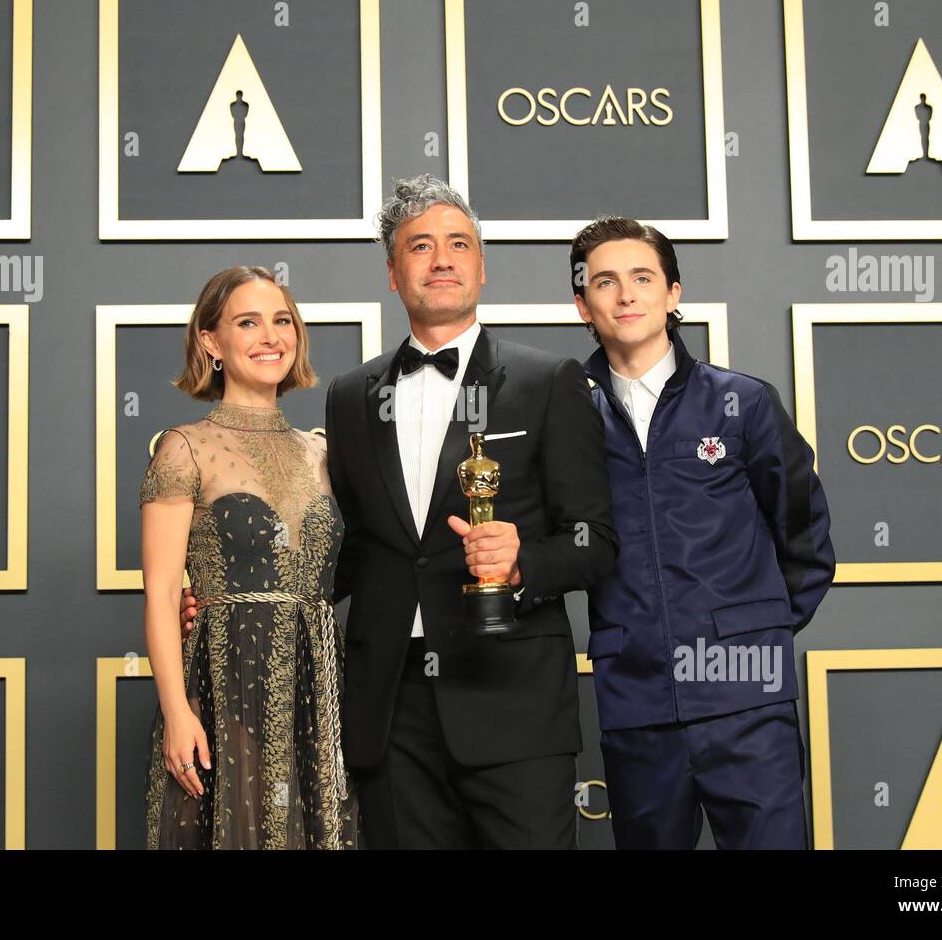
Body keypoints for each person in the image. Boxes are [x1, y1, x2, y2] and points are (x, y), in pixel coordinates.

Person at [184, 176, 619, 847]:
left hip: (511, 701)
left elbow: (596, 542)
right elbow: (349, 550)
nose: (441, 258)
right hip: (388, 708)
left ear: (480, 264)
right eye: (420, 246)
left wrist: (523, 559)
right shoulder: (351, 395)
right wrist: (241, 596)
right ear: (393, 272)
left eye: (458, 244)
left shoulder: (548, 380)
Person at [571, 217, 835, 849]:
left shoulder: (742, 402)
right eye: (605, 282)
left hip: (749, 699)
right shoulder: (568, 418)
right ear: (582, 305)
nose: (626, 295)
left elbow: (805, 535)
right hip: (635, 702)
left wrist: (753, 629)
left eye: (642, 277)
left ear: (674, 293)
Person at [140, 265, 357, 849]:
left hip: (320, 679)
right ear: (210, 341)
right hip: (223, 680)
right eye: (248, 322)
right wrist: (176, 711)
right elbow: (161, 592)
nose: (270, 337)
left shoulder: (324, 452)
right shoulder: (183, 448)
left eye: (282, 320)